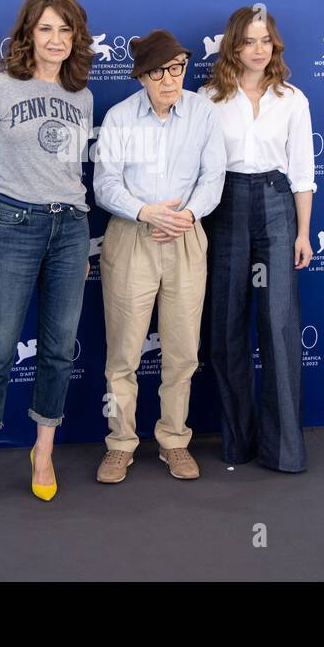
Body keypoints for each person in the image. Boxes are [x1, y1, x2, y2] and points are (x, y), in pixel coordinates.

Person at [0, 0, 95, 509]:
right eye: (46, 29)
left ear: (75, 37)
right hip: (11, 223)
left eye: (65, 29)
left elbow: (71, 169)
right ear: (28, 35)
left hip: (71, 227)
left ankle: (43, 451)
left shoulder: (82, 95)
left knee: (58, 348)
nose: (56, 39)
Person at [92, 30, 227, 483]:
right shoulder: (118, 118)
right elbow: (105, 183)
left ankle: (174, 440)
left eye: (177, 68)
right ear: (142, 76)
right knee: (124, 353)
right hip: (132, 236)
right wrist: (146, 212)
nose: (170, 79)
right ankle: (120, 444)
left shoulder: (204, 113)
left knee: (183, 351)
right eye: (158, 72)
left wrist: (186, 214)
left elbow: (213, 176)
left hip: (186, 237)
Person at [200, 5, 316, 473]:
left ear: (275, 45)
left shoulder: (292, 98)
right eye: (249, 40)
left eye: (265, 40)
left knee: (279, 327)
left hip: (275, 205)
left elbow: (303, 171)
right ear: (233, 45)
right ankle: (238, 443)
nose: (258, 49)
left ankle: (284, 450)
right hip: (224, 206)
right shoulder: (207, 98)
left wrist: (303, 232)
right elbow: (201, 168)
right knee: (225, 331)